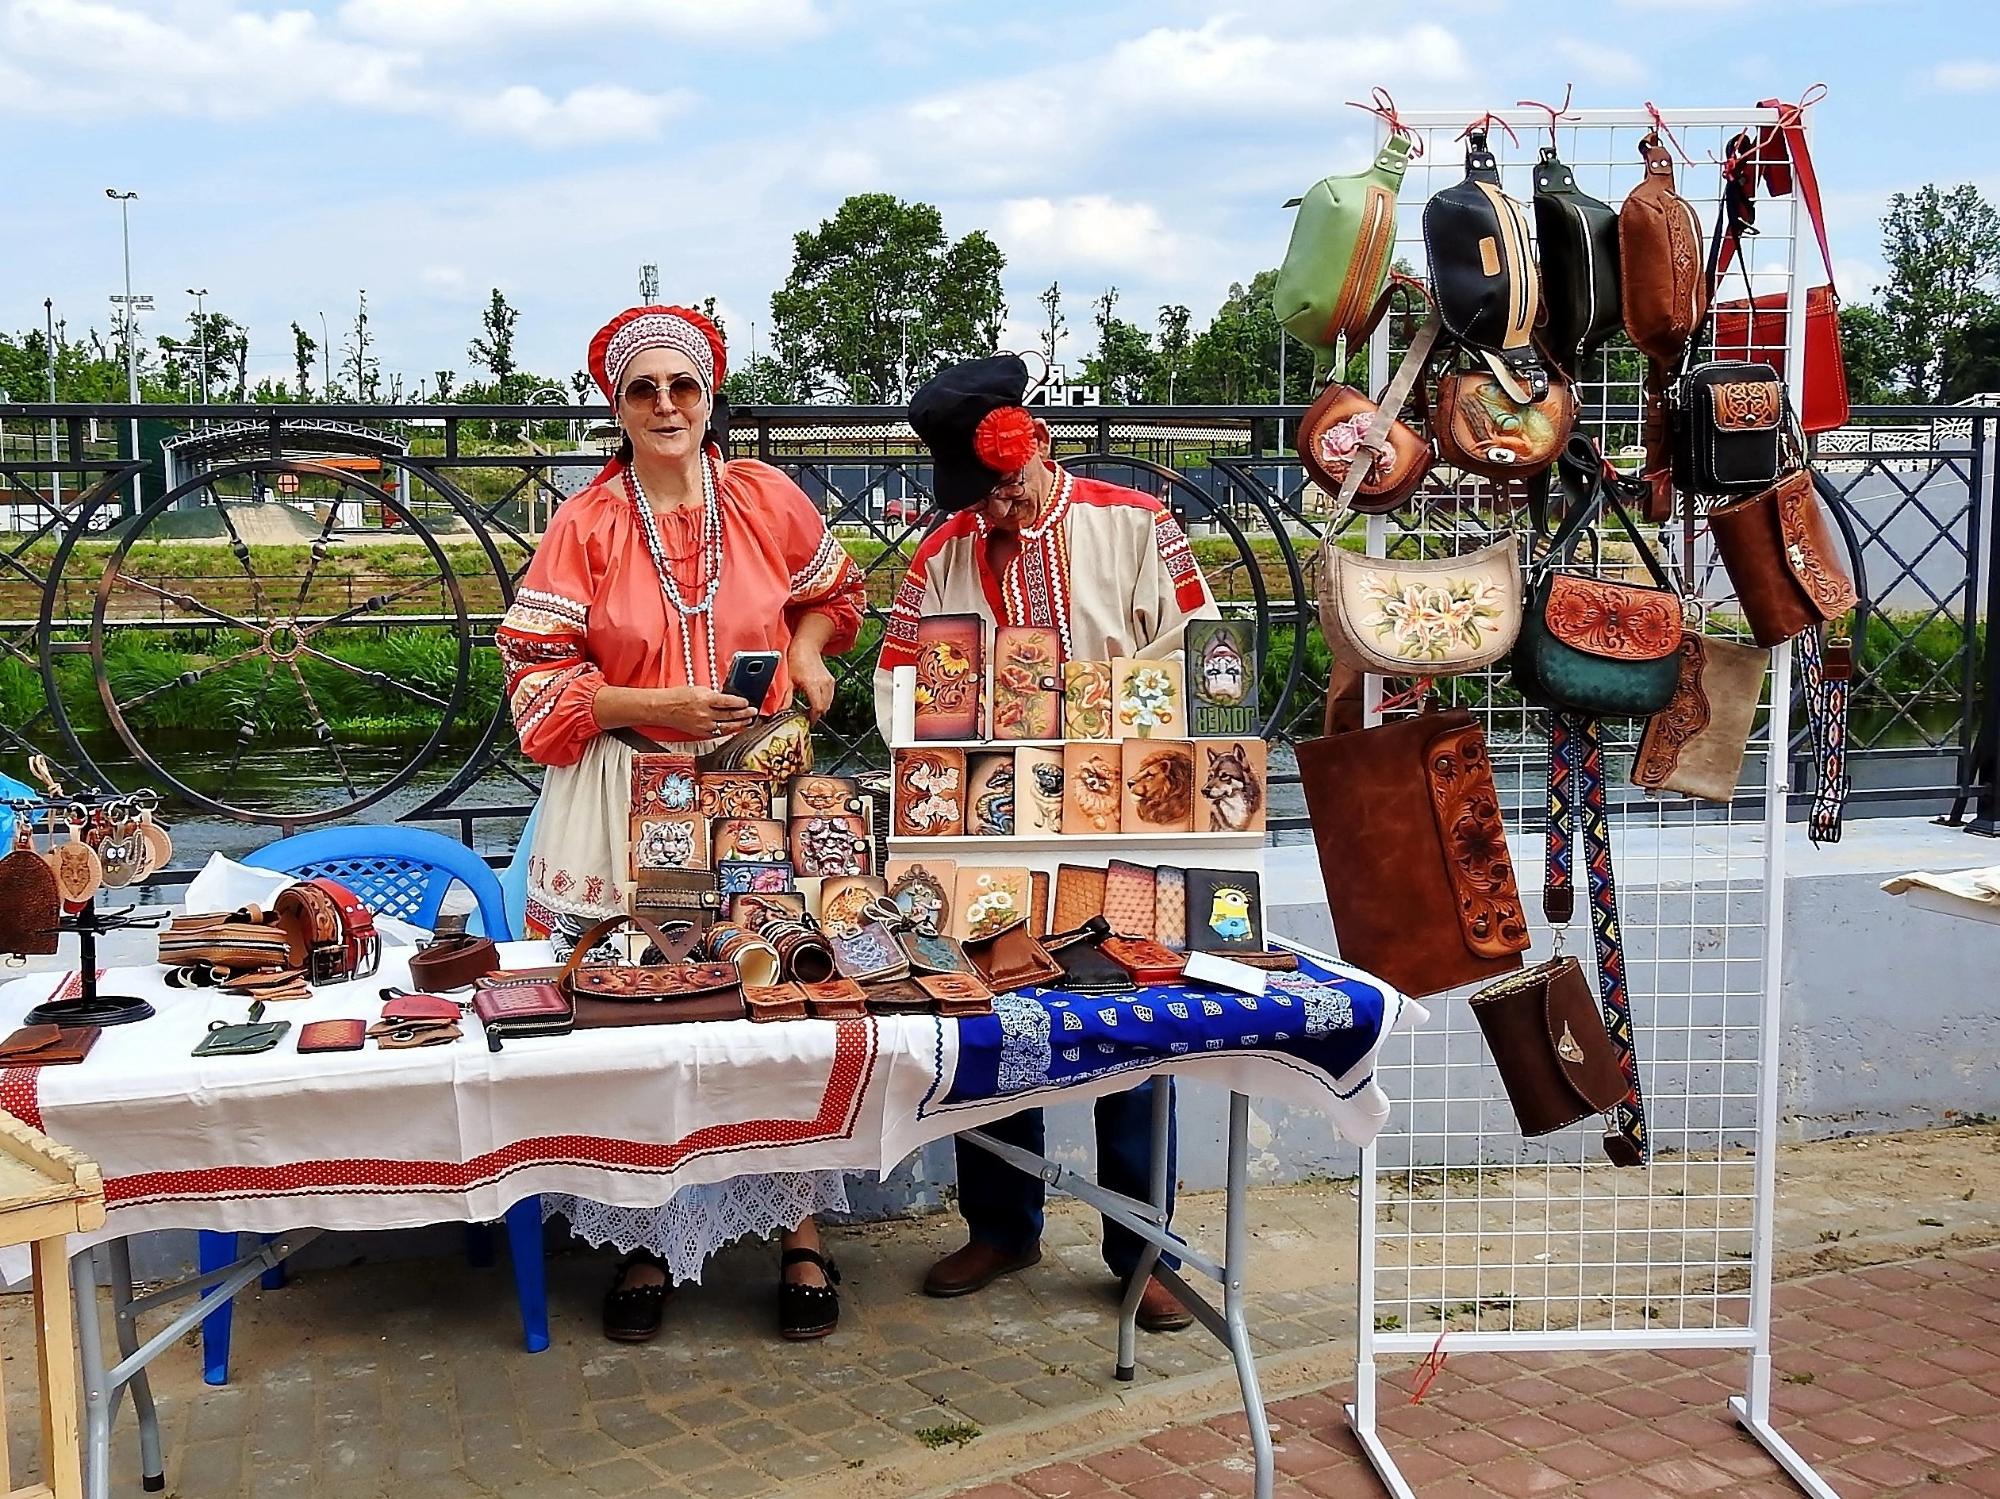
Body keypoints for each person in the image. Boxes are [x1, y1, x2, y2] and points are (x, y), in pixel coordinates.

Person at [497, 304, 866, 1344]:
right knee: (647, 1010)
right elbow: (535, 680)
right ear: (616, 408)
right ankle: (646, 1234)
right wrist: (643, 703)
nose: (665, 405)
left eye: (683, 387)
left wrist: (806, 655)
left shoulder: (762, 497)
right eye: (642, 390)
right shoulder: (587, 522)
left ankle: (800, 1228)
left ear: (709, 399)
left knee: (779, 992)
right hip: (625, 793)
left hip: (757, 777)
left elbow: (831, 592)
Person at [874, 353, 1219, 1332]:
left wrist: (1103, 722)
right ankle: (1001, 1221)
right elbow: (897, 690)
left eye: (1002, 485)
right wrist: (968, 730)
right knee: (988, 1014)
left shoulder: (1136, 521)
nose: (992, 508)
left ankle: (1139, 1244)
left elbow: (1199, 652)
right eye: (974, 494)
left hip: (1119, 814)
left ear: (1034, 445)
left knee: (1132, 1022)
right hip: (988, 825)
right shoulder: (937, 555)